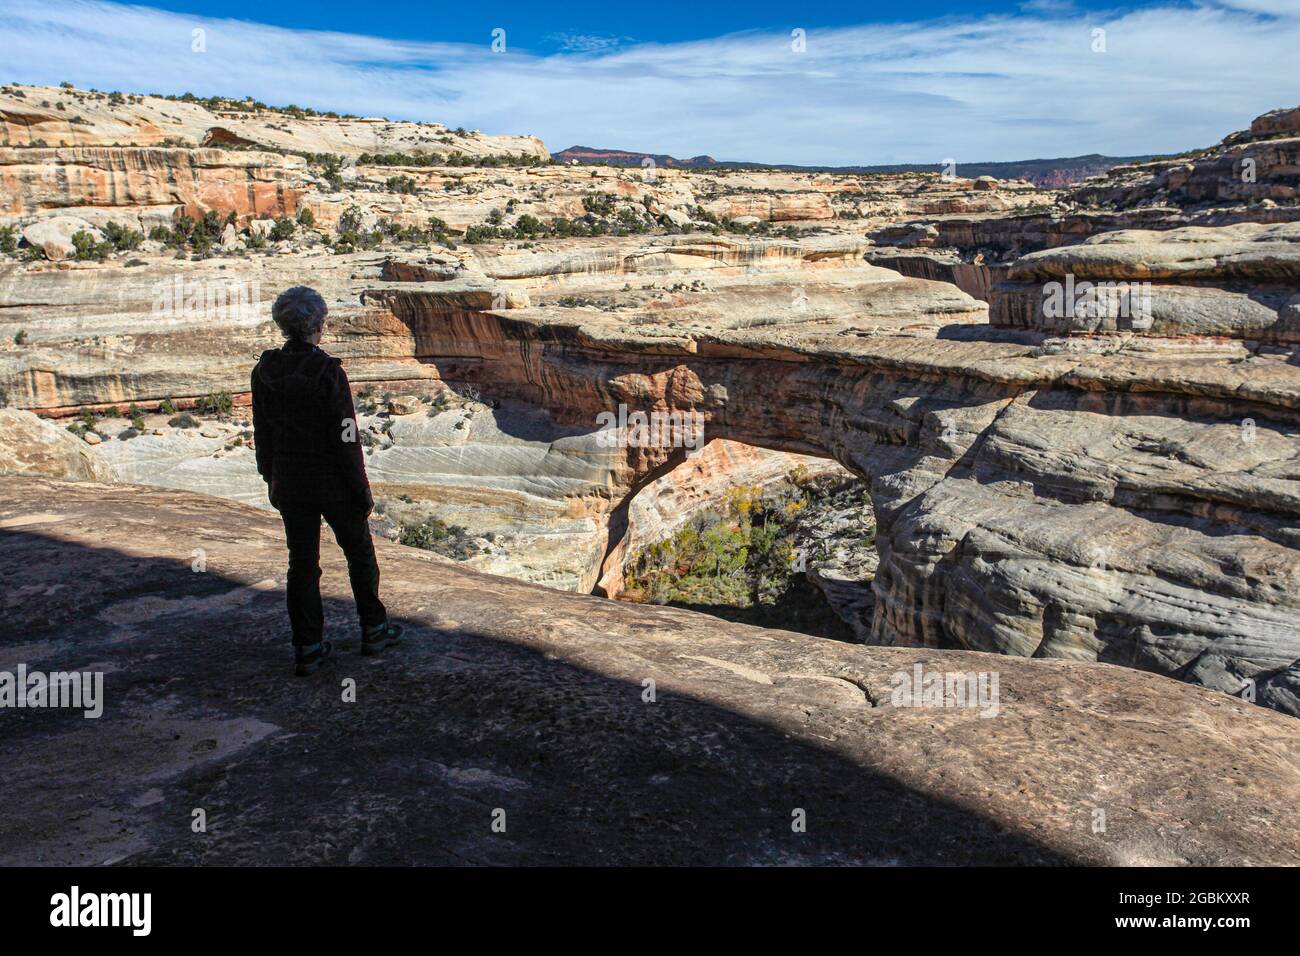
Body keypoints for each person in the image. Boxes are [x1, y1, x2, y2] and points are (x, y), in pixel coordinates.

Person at [251, 286, 402, 675]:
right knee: (359, 553)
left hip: (291, 480)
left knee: (302, 564)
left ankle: (308, 646)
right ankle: (374, 628)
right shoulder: (327, 371)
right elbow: (347, 435)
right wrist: (360, 486)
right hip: (332, 480)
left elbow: (262, 430)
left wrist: (270, 477)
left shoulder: (264, 370)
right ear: (318, 324)